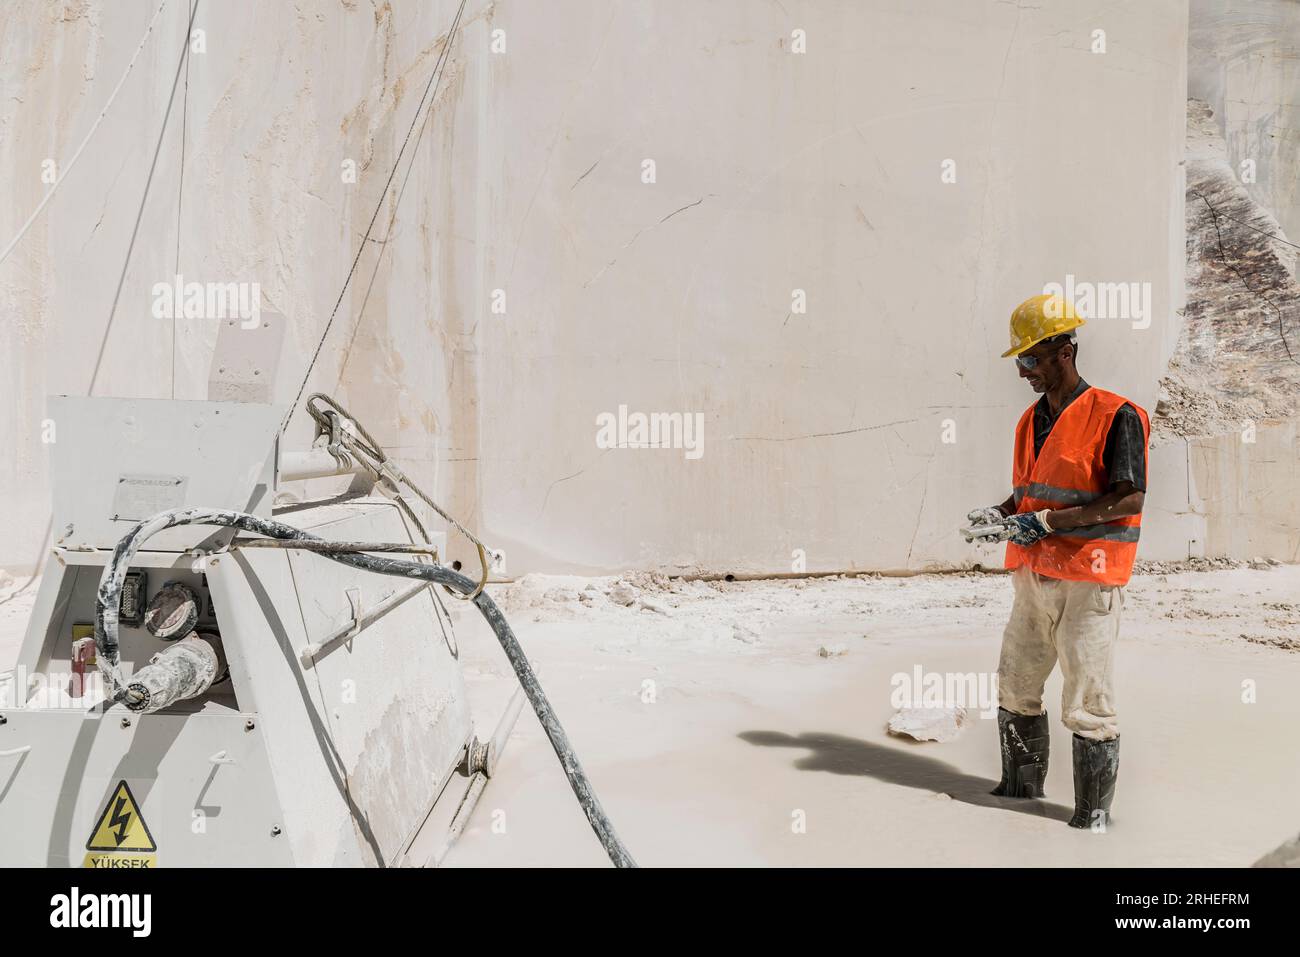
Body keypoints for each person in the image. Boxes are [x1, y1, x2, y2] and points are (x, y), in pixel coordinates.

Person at [965, 293, 1150, 830]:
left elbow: (1129, 498)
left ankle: (1091, 820)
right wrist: (999, 513)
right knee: (1016, 684)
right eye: (1020, 361)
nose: (1023, 372)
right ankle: (1018, 795)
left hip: (1090, 581)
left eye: (1030, 360)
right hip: (1033, 575)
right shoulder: (1030, 420)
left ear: (1063, 351)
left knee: (1088, 701)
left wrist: (1047, 524)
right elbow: (1030, 493)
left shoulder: (1117, 415)